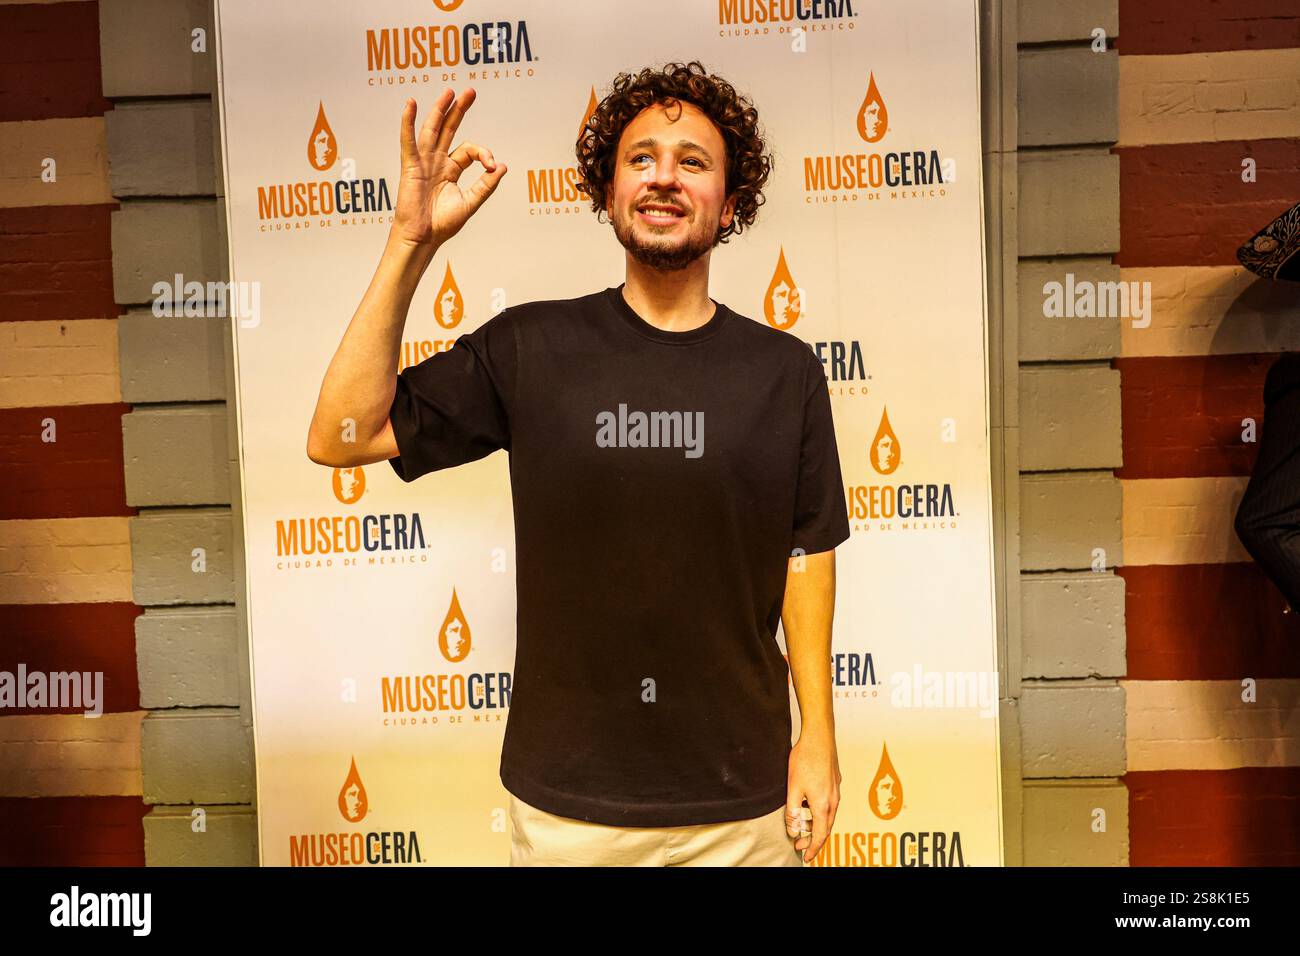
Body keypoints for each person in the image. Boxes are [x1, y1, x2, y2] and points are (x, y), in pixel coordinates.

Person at [307, 61, 850, 867]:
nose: (664, 177)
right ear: (606, 192)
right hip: (569, 809)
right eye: (641, 158)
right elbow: (342, 435)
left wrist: (819, 736)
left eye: (693, 162)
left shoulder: (786, 371)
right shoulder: (531, 348)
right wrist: (410, 244)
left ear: (730, 205)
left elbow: (807, 552)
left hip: (745, 800)